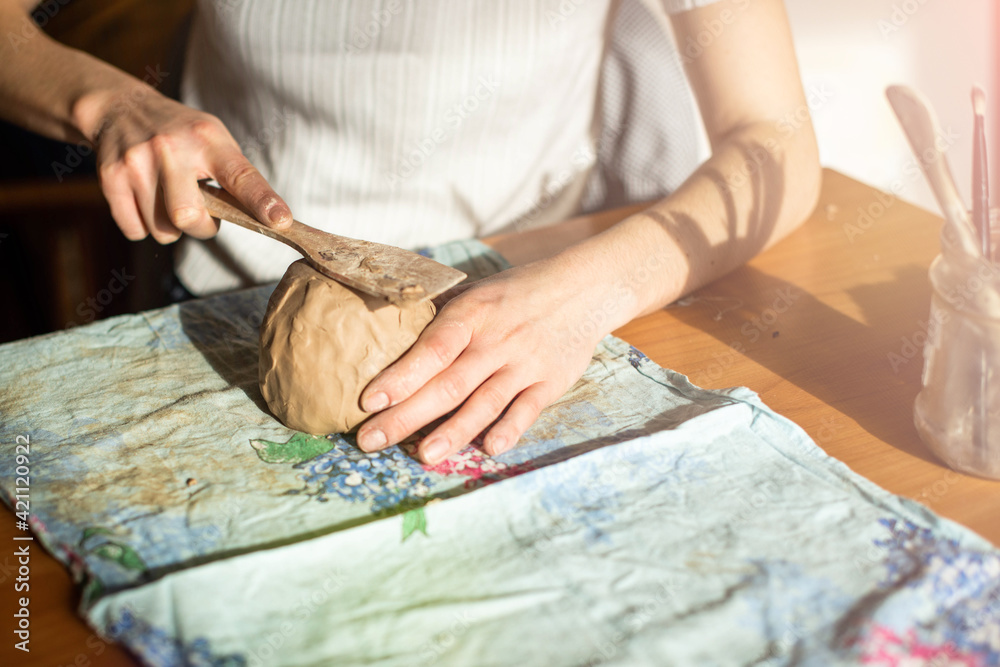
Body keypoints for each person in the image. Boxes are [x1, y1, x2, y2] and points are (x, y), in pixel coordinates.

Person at [0, 0, 820, 465]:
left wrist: (593, 289)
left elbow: (774, 140)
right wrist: (104, 101)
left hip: (530, 307)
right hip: (235, 297)